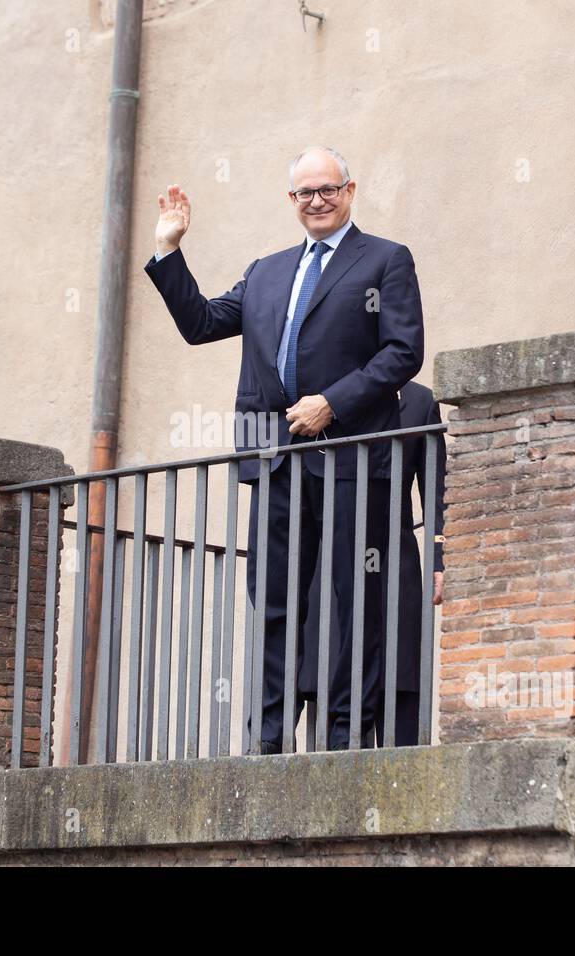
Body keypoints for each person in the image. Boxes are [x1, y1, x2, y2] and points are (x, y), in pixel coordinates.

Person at [144, 146, 425, 752]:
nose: (317, 201)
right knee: (274, 602)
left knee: (358, 603)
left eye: (327, 189)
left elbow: (403, 352)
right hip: (276, 463)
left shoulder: (385, 260)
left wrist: (334, 402)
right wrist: (170, 250)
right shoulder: (267, 271)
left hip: (353, 458)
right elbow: (201, 324)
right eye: (305, 193)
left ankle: (347, 734)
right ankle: (267, 738)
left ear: (350, 191)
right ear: (291, 201)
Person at [296, 381, 445, 747]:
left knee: (401, 692)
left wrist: (442, 558)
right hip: (330, 566)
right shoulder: (317, 399)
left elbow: (438, 492)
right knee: (334, 702)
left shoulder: (419, 401)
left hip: (396, 563)